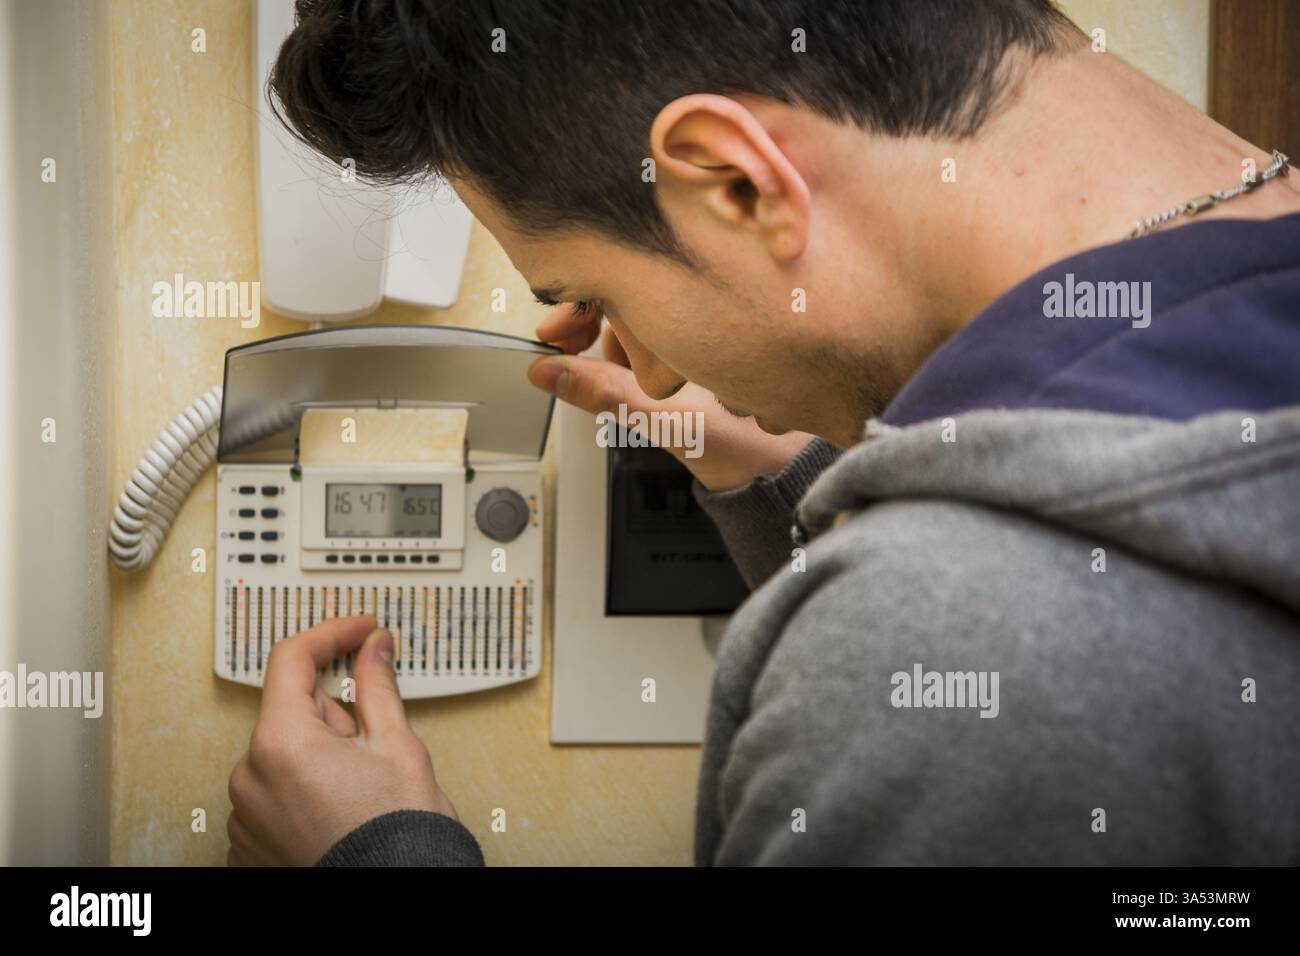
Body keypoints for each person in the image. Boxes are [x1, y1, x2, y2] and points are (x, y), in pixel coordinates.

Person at [225, 0, 1300, 866]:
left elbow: (998, 640)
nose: (645, 366)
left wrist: (379, 854)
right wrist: (817, 492)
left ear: (733, 181)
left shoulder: (950, 642)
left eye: (596, 292)